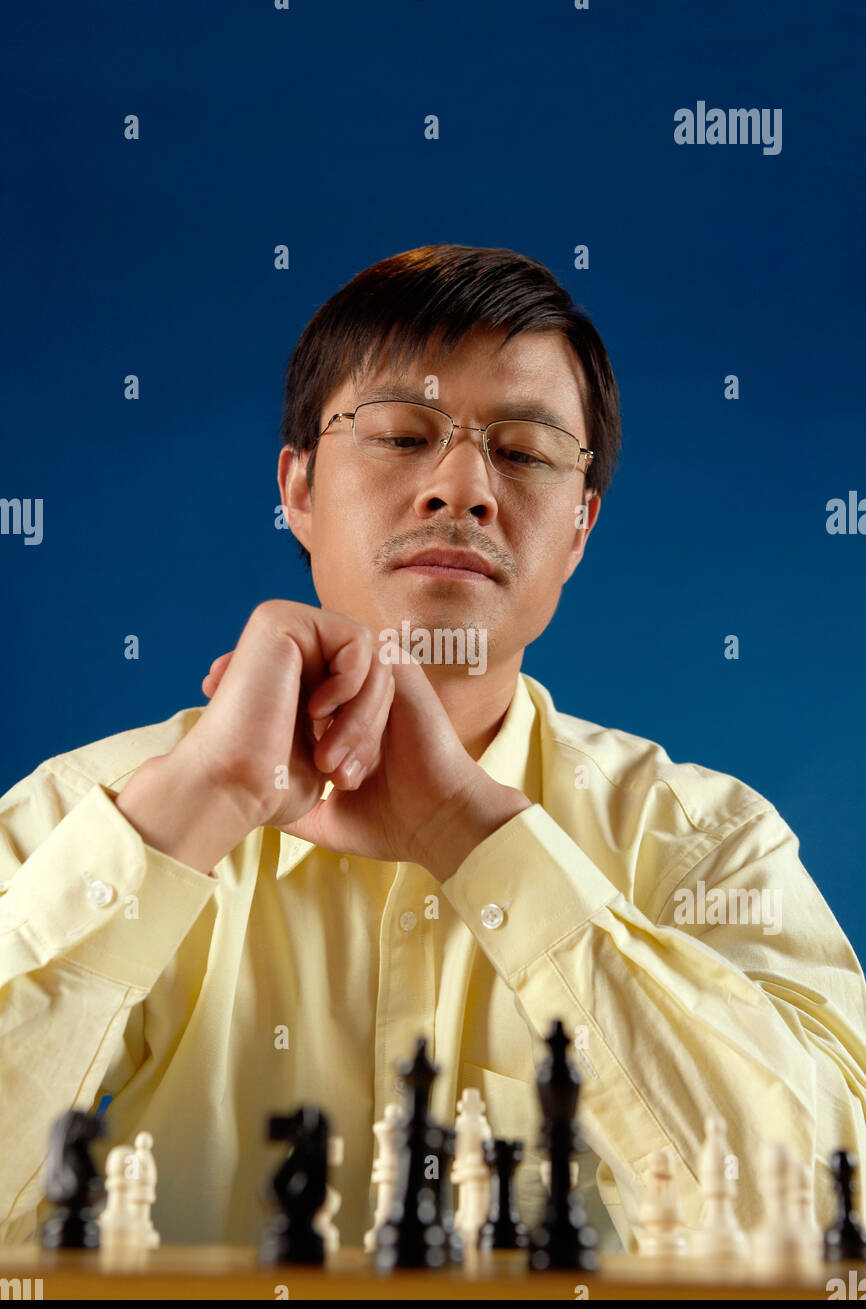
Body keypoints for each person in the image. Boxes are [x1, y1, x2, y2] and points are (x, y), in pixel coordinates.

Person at [1, 244, 864, 1252]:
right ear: (298, 490)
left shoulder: (709, 842)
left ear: (578, 530)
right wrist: (180, 820)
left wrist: (472, 831)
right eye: (402, 436)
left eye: (527, 451)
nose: (461, 487)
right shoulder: (86, 812)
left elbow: (826, 1219)